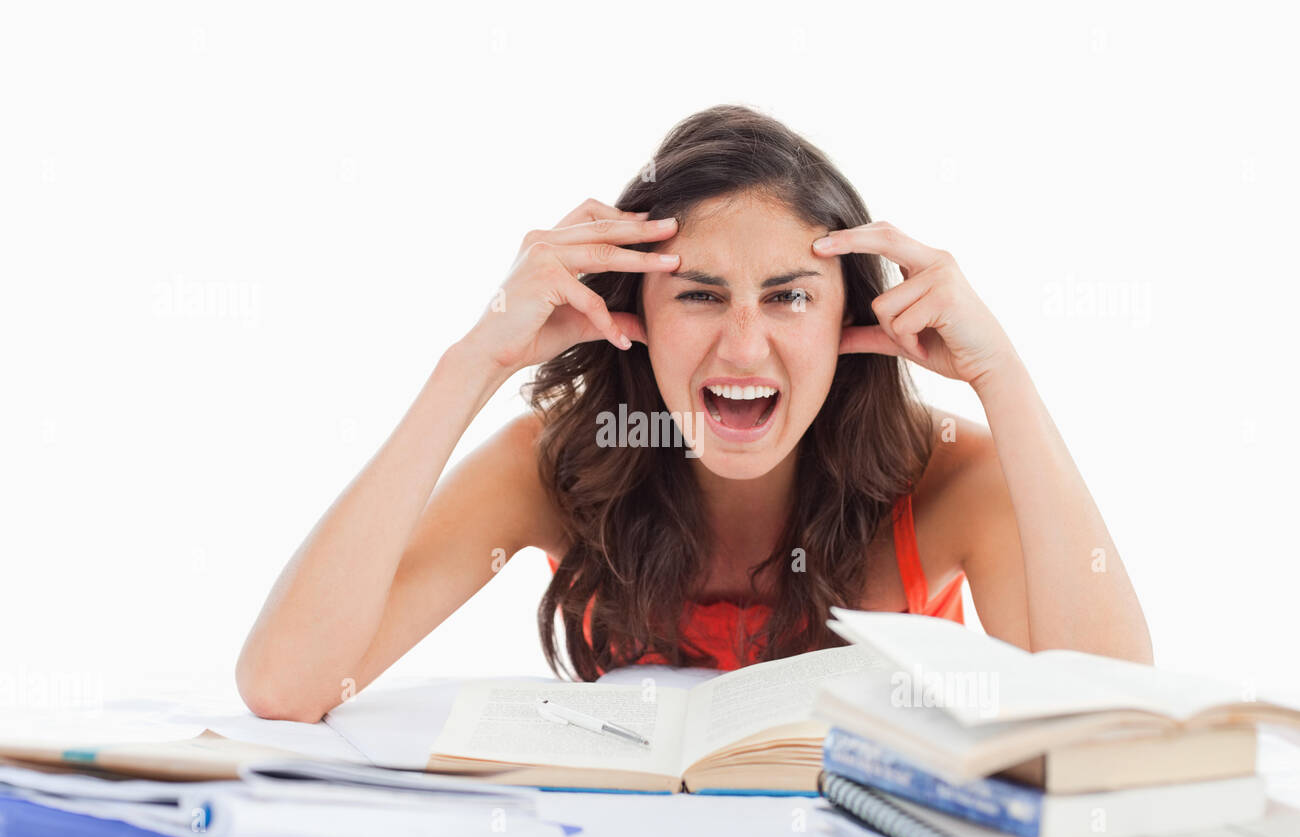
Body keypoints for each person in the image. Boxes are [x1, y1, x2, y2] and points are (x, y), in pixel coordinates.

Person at [236, 104, 1152, 723]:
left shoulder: (949, 472)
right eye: (702, 297)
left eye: (790, 298)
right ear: (633, 314)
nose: (744, 348)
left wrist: (1005, 377)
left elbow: (1116, 718)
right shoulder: (559, 466)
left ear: (852, 319)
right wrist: (474, 360)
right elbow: (286, 684)